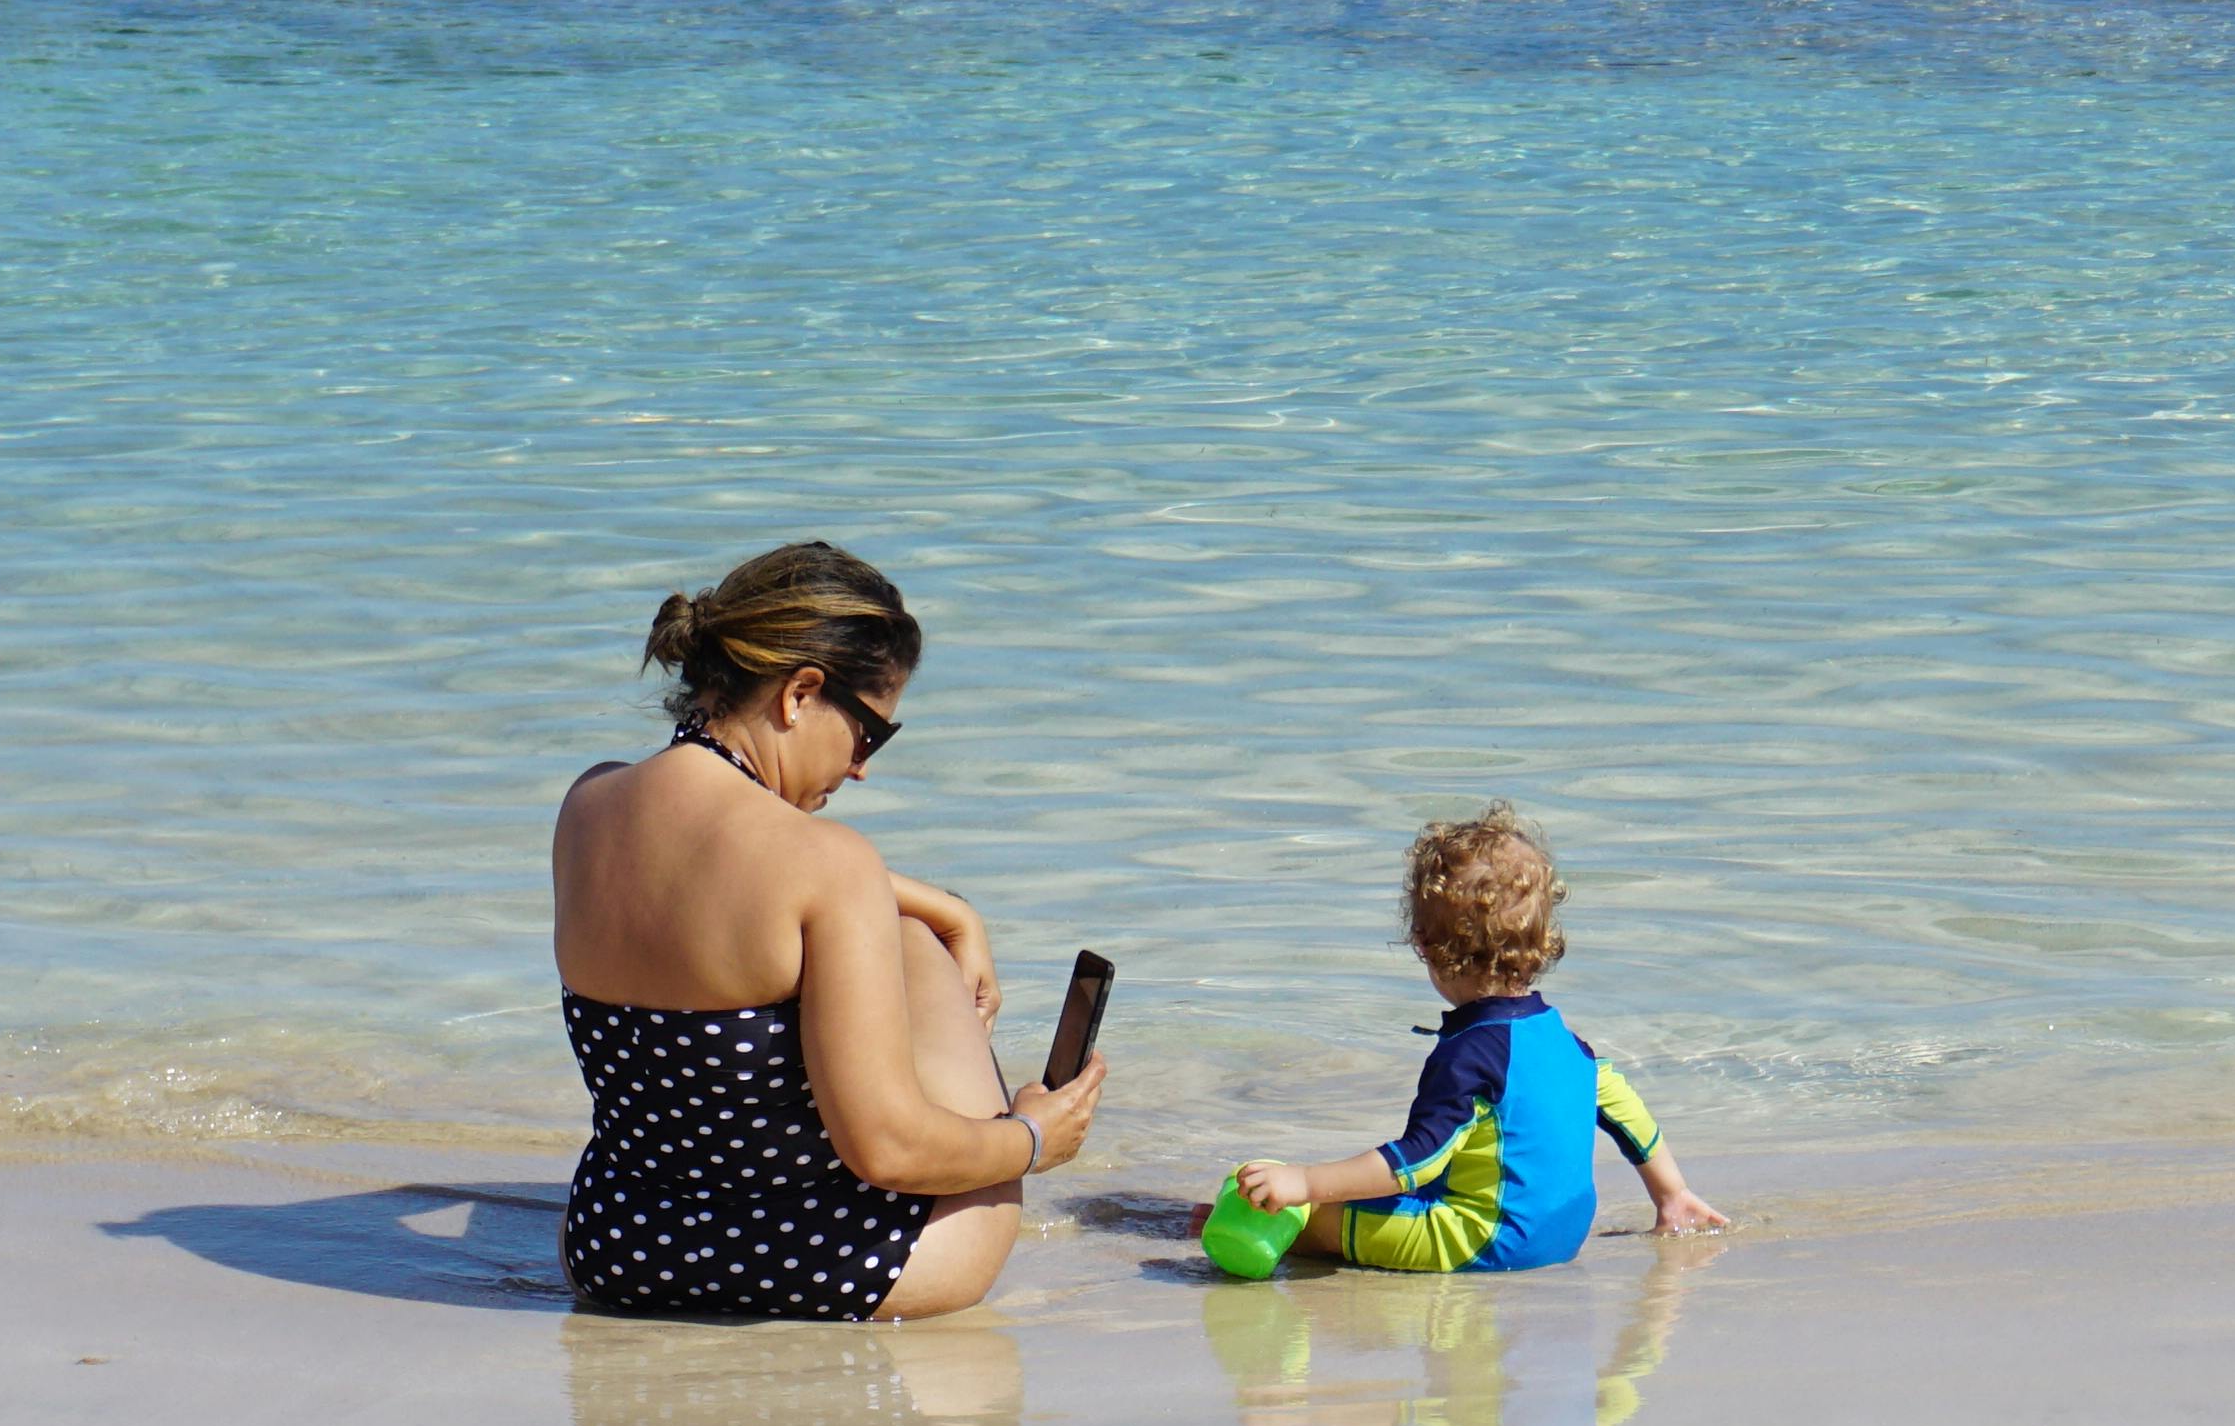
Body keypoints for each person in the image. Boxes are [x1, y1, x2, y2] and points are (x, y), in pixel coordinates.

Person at [550, 541, 1101, 1322]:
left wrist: (949, 905)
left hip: (615, 1254)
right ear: (800, 693)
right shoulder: (829, 866)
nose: (863, 769)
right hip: (825, 1274)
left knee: (899, 923)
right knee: (908, 947)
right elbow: (888, 1149)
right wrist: (1034, 1138)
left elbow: (723, 866)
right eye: (872, 733)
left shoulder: (588, 805)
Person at [1226, 806, 1727, 1274]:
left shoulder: (1467, 1054)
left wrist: (1306, 1183)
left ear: (1424, 944)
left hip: (1486, 1240)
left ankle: (1245, 1229)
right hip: (1564, 1233)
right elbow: (1626, 1112)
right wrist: (1672, 1194)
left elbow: (1418, 1160)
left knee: (1314, 1214)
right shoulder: (1562, 1039)